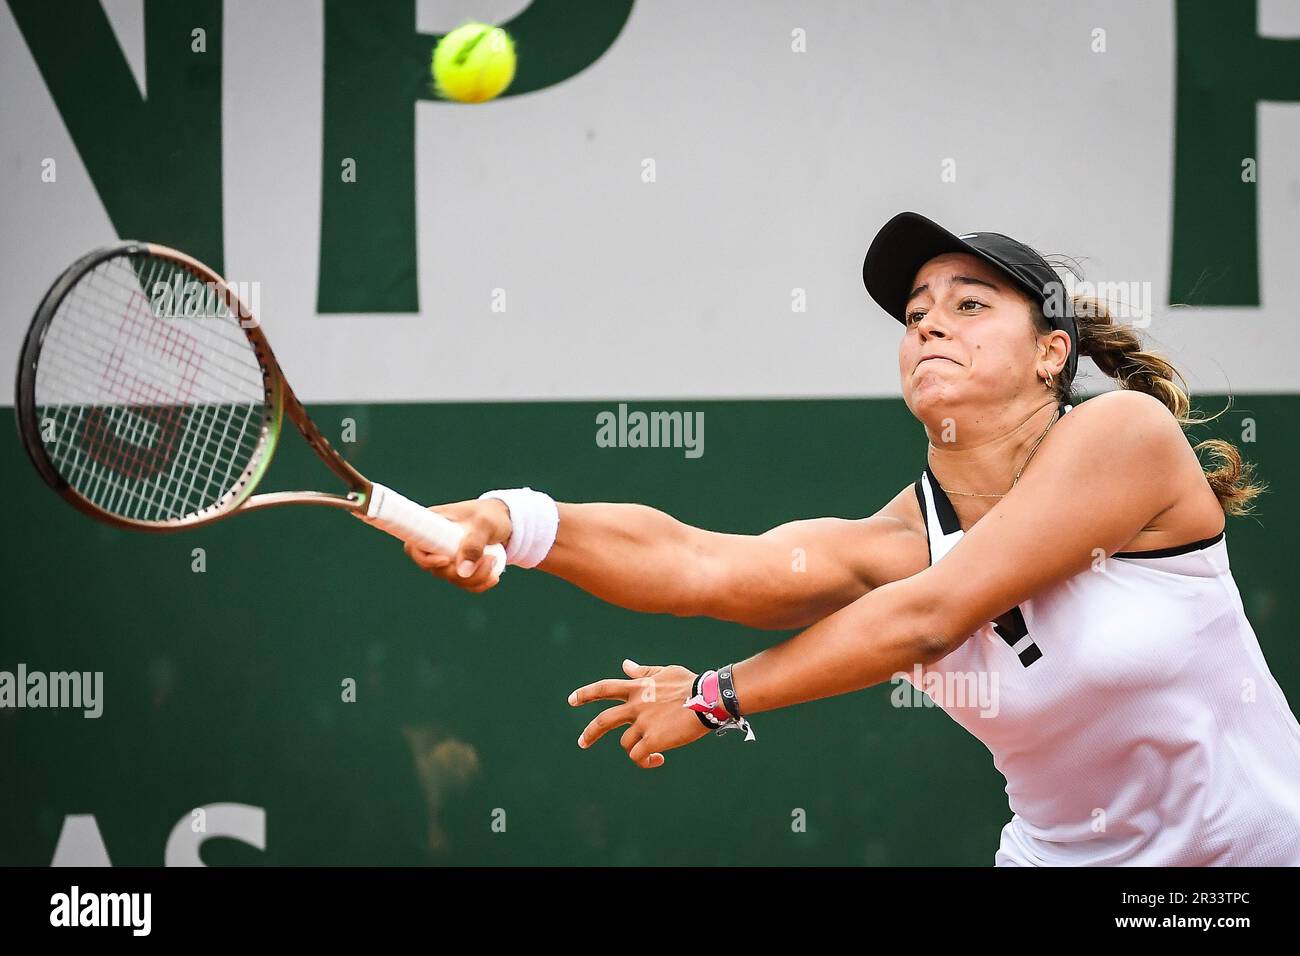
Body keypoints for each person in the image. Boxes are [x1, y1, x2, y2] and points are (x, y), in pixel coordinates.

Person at [406, 211, 1300, 866]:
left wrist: (717, 694)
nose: (929, 324)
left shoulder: (1125, 436)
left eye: (970, 305)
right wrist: (512, 519)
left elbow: (931, 618)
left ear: (1051, 355)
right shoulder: (893, 543)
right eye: (915, 315)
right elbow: (696, 561)